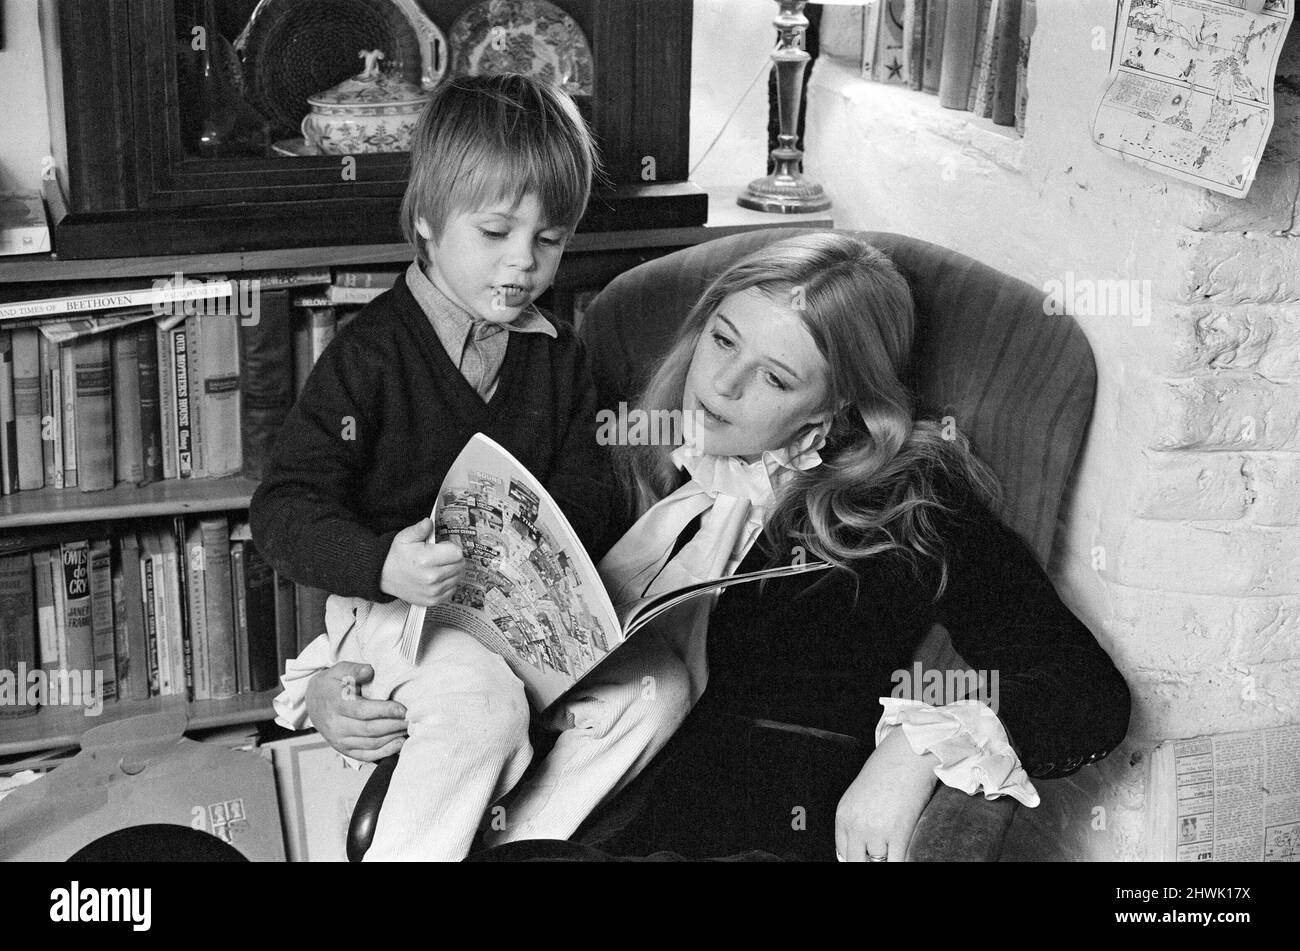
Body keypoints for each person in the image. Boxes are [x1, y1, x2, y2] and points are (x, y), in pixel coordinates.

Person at [306, 231, 1134, 862]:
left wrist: (915, 753)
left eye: (775, 377)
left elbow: (1081, 690)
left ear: (835, 411)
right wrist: (344, 686)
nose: (722, 385)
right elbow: (490, 615)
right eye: (723, 340)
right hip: (570, 821)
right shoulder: (629, 450)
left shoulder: (908, 507)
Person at [250, 74, 642, 861]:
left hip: (522, 618)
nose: (523, 264)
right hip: (395, 612)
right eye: (495, 231)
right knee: (483, 706)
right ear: (427, 220)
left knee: (651, 693)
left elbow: (592, 482)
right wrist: (380, 561)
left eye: (551, 238)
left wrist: (550, 534)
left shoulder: (561, 355)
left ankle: (515, 846)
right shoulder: (370, 356)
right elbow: (284, 507)